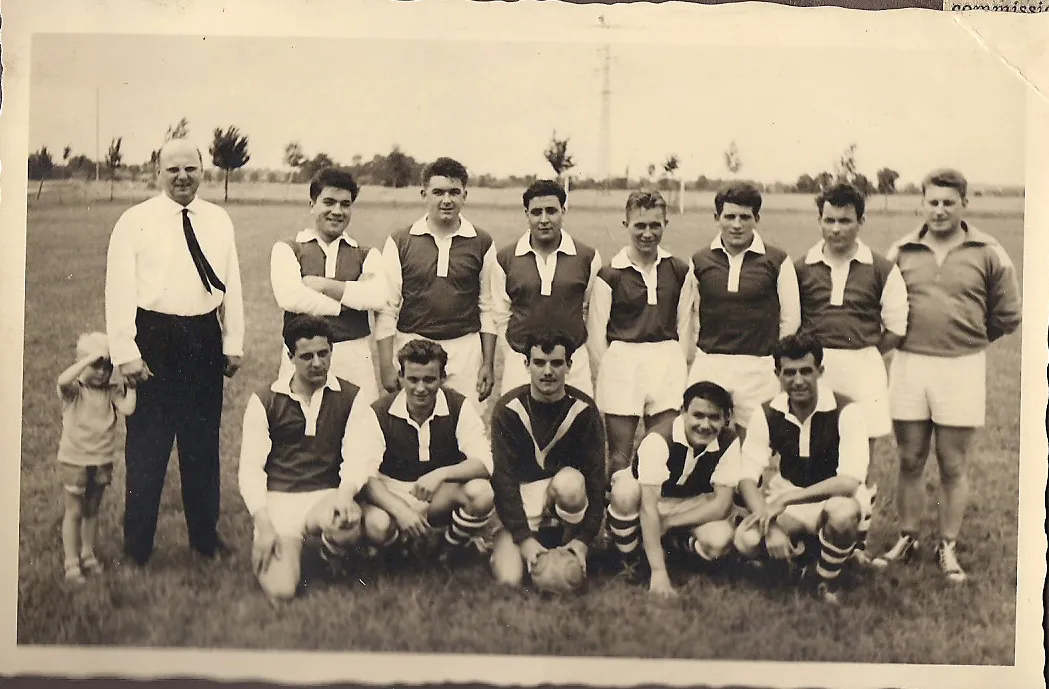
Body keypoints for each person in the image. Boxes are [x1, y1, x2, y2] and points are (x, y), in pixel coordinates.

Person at [874, 168, 1021, 582]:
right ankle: (907, 538)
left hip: (962, 367)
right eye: (932, 202)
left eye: (948, 202)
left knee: (953, 464)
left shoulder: (989, 250)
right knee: (909, 458)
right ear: (921, 203)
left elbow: (1008, 314)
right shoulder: (902, 249)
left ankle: (948, 546)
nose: (939, 210)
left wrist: (967, 339)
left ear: (964, 204)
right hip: (909, 365)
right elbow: (887, 308)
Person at [105, 138, 244, 567]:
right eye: (173, 170)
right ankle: (137, 547)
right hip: (154, 338)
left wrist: (232, 341)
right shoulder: (135, 220)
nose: (183, 177)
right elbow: (118, 289)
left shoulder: (219, 220)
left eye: (191, 168)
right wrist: (125, 352)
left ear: (203, 170)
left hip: (203, 336)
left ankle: (205, 540)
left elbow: (231, 284)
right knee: (147, 447)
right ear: (157, 173)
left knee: (201, 445)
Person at [794, 182, 909, 563]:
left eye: (845, 220)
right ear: (820, 220)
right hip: (816, 372)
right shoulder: (800, 267)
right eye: (829, 220)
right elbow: (791, 325)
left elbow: (895, 328)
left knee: (859, 463)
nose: (836, 229)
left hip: (863, 367)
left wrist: (861, 352)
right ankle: (811, 536)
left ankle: (854, 545)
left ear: (860, 221)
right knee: (812, 452)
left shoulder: (882, 268)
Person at [237, 316, 372, 601]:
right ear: (290, 357)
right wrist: (263, 525)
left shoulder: (350, 396)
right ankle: (294, 556)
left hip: (325, 497)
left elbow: (358, 455)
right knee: (282, 590)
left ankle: (326, 558)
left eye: (324, 354)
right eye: (307, 356)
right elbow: (250, 470)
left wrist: (345, 495)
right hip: (279, 501)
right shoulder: (265, 400)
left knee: (347, 522)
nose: (317, 363)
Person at [733, 334, 872, 605]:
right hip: (792, 492)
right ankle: (812, 553)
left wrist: (783, 501)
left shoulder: (847, 410)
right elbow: (747, 477)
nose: (798, 381)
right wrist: (767, 521)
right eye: (790, 373)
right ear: (777, 374)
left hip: (835, 496)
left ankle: (825, 579)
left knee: (842, 516)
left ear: (820, 371)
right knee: (745, 540)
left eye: (806, 371)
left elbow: (849, 482)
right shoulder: (767, 411)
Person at [356, 339, 496, 561]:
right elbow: (364, 474)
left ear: (442, 378)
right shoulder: (379, 412)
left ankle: (448, 549)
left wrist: (440, 474)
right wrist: (400, 510)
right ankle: (401, 553)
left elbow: (485, 462)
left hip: (437, 493)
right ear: (400, 378)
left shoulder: (458, 405)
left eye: (429, 380)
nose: (420, 389)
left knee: (481, 493)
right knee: (377, 525)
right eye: (413, 379)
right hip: (393, 493)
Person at [376, 157, 497, 410]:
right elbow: (388, 307)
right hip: (412, 347)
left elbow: (487, 306)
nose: (446, 200)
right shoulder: (400, 240)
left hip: (464, 350)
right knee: (411, 425)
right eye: (438, 192)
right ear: (424, 194)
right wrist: (387, 365)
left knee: (465, 427)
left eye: (454, 192)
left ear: (465, 195)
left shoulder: (482, 241)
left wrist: (487, 363)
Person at [489, 330, 608, 588]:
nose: (548, 371)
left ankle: (568, 541)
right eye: (539, 363)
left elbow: (597, 481)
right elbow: (503, 479)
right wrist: (523, 538)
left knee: (571, 483)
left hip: (561, 495)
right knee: (509, 580)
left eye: (556, 363)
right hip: (521, 502)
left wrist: (584, 540)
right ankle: (526, 541)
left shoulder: (584, 410)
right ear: (526, 365)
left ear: (569, 366)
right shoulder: (508, 410)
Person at [588, 190, 694, 476]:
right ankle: (620, 515)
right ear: (626, 225)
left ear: (665, 224)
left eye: (655, 225)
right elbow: (597, 336)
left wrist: (677, 367)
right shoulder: (610, 274)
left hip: (666, 362)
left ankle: (655, 513)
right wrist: (612, 370)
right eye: (640, 225)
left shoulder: (680, 270)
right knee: (620, 457)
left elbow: (683, 326)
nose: (647, 233)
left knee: (662, 452)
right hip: (623, 364)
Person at [605, 381, 741, 597]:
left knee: (720, 540)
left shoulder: (729, 441)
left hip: (689, 503)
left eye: (714, 417)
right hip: (649, 501)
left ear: (726, 418)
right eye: (698, 415)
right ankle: (630, 558)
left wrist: (668, 524)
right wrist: (659, 574)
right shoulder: (659, 439)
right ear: (683, 412)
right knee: (624, 492)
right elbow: (649, 508)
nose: (705, 425)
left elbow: (722, 505)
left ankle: (676, 547)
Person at [688, 181, 800, 440]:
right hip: (711, 363)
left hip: (758, 368)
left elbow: (790, 318)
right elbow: (691, 315)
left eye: (744, 217)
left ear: (756, 218)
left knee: (753, 449)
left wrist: (771, 358)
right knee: (705, 446)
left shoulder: (777, 260)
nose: (736, 225)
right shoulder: (700, 260)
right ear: (717, 218)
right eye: (729, 217)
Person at [270, 166, 387, 401]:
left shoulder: (366, 254)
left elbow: (377, 297)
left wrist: (323, 286)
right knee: (302, 428)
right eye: (329, 202)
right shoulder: (288, 249)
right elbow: (291, 298)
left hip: (354, 357)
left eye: (345, 204)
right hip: (302, 357)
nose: (337, 211)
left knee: (358, 429)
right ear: (312, 205)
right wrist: (346, 303)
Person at [492, 179, 601, 397]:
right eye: (536, 212)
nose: (544, 220)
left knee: (575, 424)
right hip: (521, 361)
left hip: (572, 363)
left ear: (563, 210)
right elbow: (501, 314)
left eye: (551, 211)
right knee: (520, 425)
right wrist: (518, 354)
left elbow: (588, 309)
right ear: (526, 214)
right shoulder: (505, 258)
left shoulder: (587, 257)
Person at [56, 332, 137, 584]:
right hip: (75, 461)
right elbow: (62, 380)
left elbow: (128, 408)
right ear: (81, 363)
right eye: (96, 365)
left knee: (92, 509)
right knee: (74, 510)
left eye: (107, 365)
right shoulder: (74, 392)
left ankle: (87, 553)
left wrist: (131, 387)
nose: (102, 372)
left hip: (101, 460)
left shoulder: (110, 392)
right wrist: (86, 360)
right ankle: (71, 563)